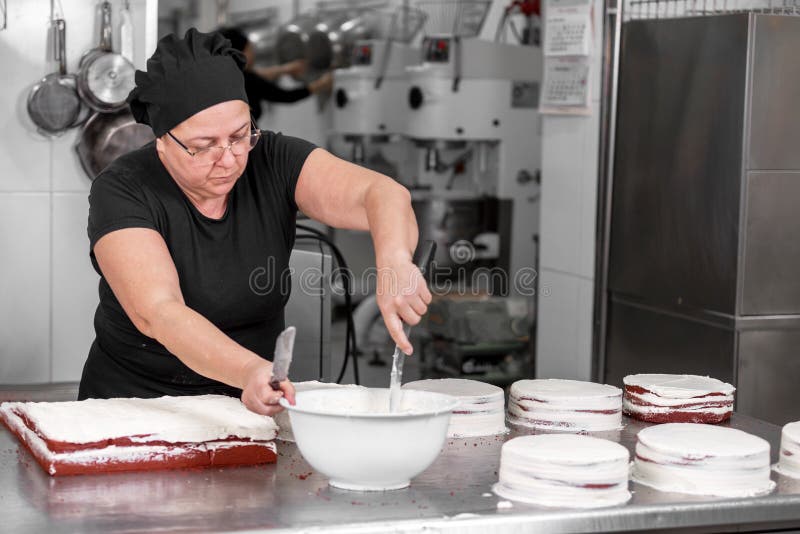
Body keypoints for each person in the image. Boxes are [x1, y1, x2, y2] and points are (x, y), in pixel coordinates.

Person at [78, 29, 430, 416]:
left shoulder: (273, 159)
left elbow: (381, 194)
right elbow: (159, 311)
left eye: (239, 136)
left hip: (245, 409)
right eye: (203, 146)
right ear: (163, 140)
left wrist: (394, 261)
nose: (228, 159)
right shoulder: (123, 188)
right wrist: (247, 369)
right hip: (135, 405)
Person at [217, 26, 333, 121]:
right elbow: (286, 96)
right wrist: (321, 84)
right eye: (250, 48)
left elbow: (257, 76)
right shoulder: (246, 80)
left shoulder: (222, 77)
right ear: (240, 53)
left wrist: (285, 69)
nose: (254, 53)